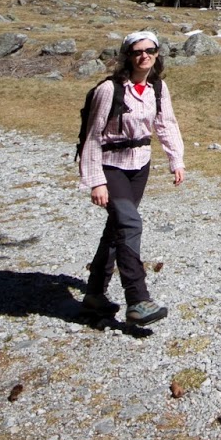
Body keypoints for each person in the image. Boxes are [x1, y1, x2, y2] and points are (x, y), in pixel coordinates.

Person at [77, 30, 185, 325]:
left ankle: (94, 295)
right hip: (110, 166)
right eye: (137, 52)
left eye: (150, 50)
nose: (144, 56)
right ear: (127, 56)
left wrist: (176, 160)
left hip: (140, 166)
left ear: (157, 54)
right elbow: (92, 137)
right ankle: (137, 299)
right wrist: (96, 181)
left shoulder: (157, 88)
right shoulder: (108, 90)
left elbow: (166, 124)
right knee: (130, 224)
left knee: (118, 228)